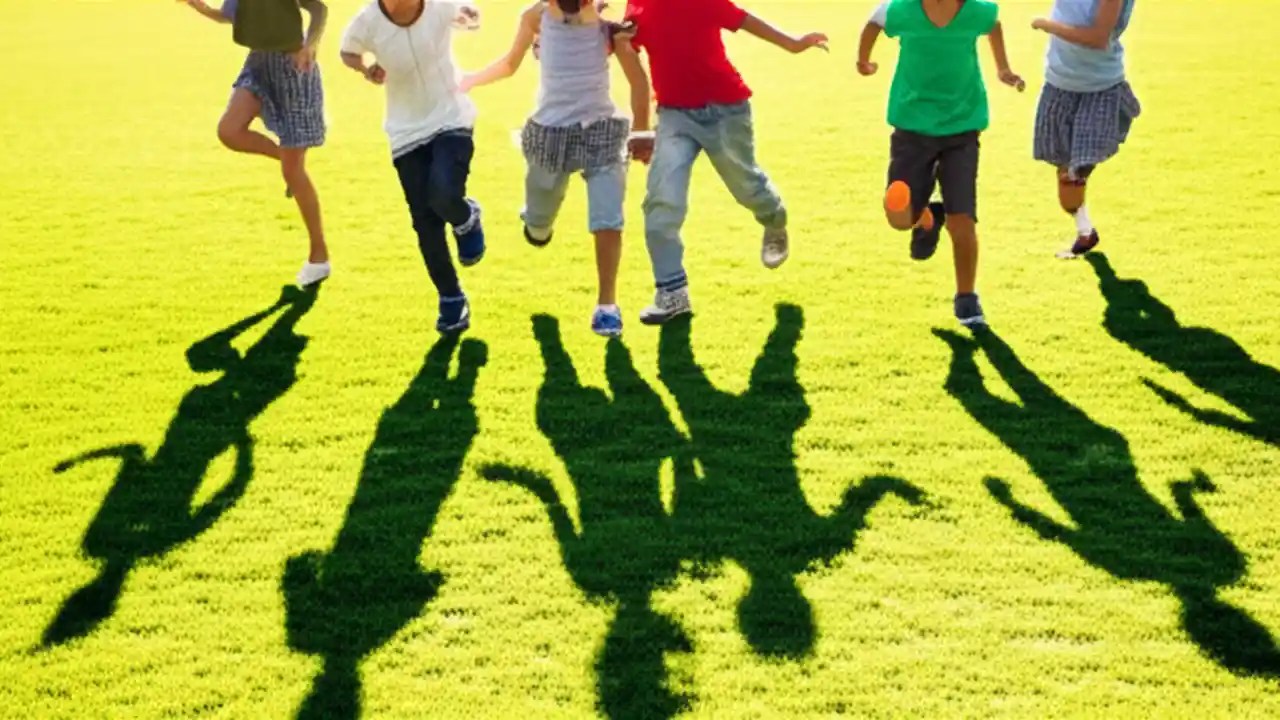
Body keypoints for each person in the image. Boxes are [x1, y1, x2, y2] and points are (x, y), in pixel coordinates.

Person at [622, 0, 828, 326]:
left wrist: (793, 44)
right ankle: (672, 294)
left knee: (746, 186)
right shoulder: (637, 6)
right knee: (662, 201)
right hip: (674, 115)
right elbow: (625, 53)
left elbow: (746, 20)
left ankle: (774, 218)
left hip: (726, 110)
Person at [462, 1, 651, 337]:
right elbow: (509, 64)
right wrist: (469, 81)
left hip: (602, 130)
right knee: (538, 222)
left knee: (608, 219)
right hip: (550, 133)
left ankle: (607, 305)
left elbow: (638, 82)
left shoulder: (608, 26)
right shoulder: (535, 17)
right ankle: (536, 224)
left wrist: (640, 132)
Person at [858, 0, 1024, 327]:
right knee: (897, 215)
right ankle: (925, 218)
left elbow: (994, 25)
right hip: (911, 128)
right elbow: (873, 22)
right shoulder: (901, 10)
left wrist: (1002, 68)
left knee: (962, 220)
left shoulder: (977, 10)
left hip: (961, 128)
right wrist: (863, 60)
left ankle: (967, 297)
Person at [339, 0, 488, 334]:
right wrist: (366, 69)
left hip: (451, 117)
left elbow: (467, 13)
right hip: (405, 130)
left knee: (444, 195)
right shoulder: (368, 20)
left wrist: (471, 16)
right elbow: (347, 51)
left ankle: (466, 218)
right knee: (425, 220)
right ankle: (451, 298)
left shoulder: (439, 6)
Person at [183, 0, 333, 288]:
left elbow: (319, 9)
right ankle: (286, 161)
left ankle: (319, 256)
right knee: (229, 131)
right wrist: (196, 5)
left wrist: (310, 45)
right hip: (258, 64)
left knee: (294, 173)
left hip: (294, 66)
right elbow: (227, 16)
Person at [1031, 0, 1140, 258]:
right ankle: (1085, 231)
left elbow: (1098, 38)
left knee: (1079, 167)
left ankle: (1083, 224)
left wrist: (1048, 26)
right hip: (1059, 84)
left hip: (1099, 88)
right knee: (1065, 174)